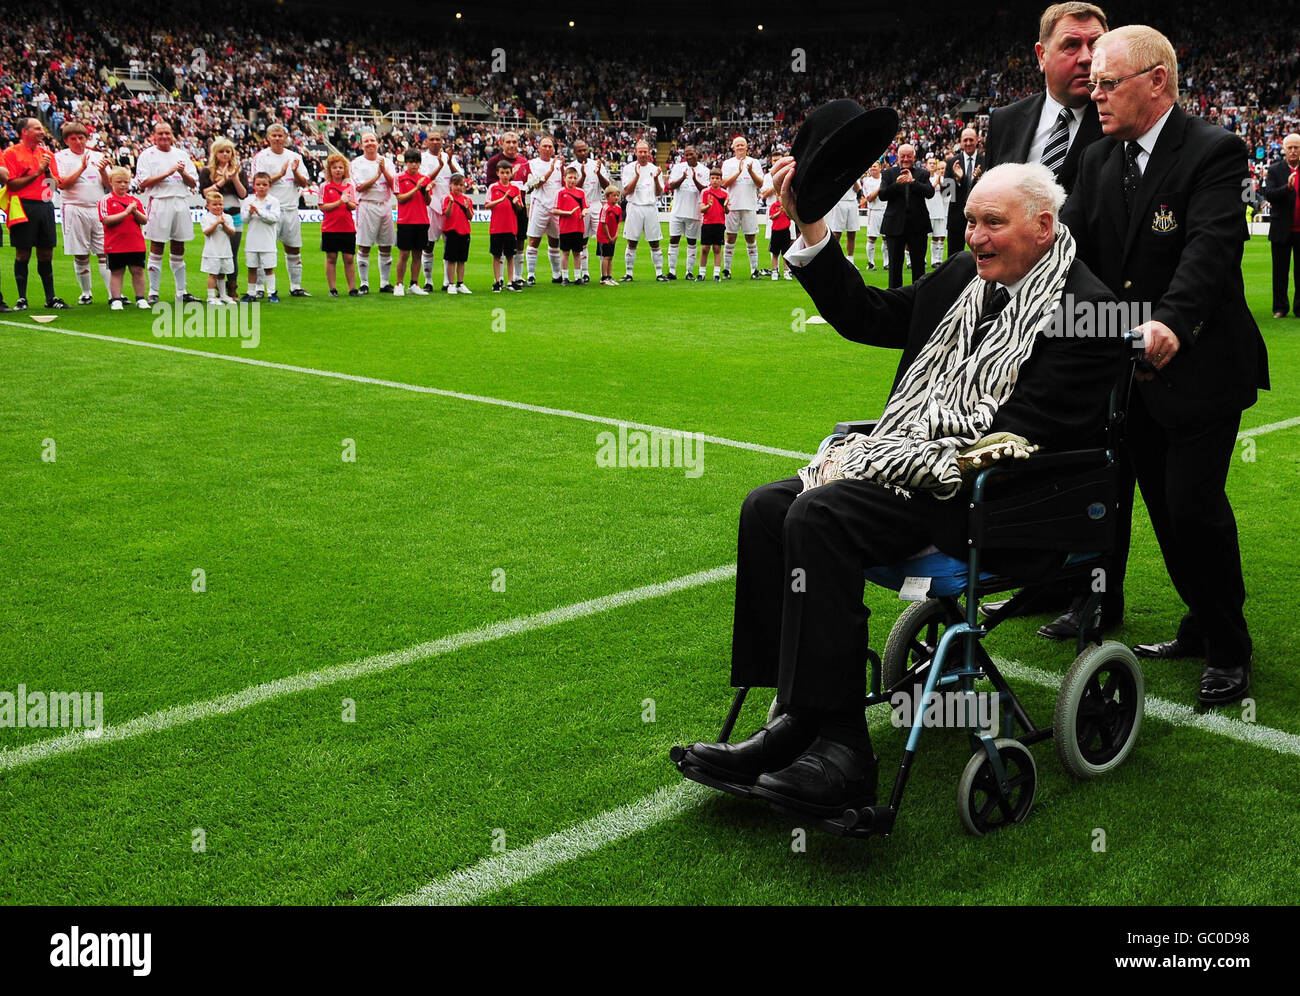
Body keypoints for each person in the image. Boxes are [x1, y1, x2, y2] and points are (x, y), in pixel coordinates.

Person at [679, 160, 1124, 814]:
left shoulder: (1091, 313)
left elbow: (1026, 438)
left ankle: (844, 753)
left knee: (818, 514)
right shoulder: (962, 278)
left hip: (999, 499)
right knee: (768, 508)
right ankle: (792, 721)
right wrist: (811, 225)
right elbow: (867, 315)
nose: (975, 236)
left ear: (1044, 226)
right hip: (922, 469)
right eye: (970, 221)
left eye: (992, 223)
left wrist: (894, 463)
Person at [1061, 25, 1269, 706]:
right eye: (1091, 85)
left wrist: (1170, 324)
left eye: (1107, 83)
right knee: (1161, 507)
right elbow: (1079, 256)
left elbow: (1210, 251)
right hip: (1132, 375)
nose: (1095, 95)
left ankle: (1229, 648)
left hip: (1203, 368)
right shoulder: (1096, 159)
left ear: (1156, 80)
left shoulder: (1213, 150)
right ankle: (1202, 619)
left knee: (1193, 507)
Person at [985, 2, 1108, 196]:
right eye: (1072, 45)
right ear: (1042, 56)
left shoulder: (1122, 122)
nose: (1086, 57)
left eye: (1094, 45)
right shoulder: (1004, 121)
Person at [3, 117, 67, 309]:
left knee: (46, 253)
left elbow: (55, 185)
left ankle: (51, 298)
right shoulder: (11, 153)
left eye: (41, 128)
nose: (42, 131)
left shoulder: (47, 154)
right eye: (37, 128)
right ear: (25, 132)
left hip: (45, 205)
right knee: (23, 252)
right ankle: (22, 298)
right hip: (22, 205)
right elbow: (11, 183)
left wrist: (46, 172)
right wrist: (37, 172)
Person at [134, 120, 199, 304]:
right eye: (160, 133)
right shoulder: (147, 155)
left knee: (179, 248)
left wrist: (182, 173)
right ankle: (153, 292)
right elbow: (143, 182)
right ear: (154, 135)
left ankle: (181, 291)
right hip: (160, 203)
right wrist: (168, 173)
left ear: (172, 135)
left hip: (180, 202)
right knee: (157, 247)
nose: (164, 136)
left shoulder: (181, 154)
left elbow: (193, 182)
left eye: (167, 133)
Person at [54, 122, 112, 305]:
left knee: (104, 252)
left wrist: (103, 171)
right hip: (74, 207)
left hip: (97, 208)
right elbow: (61, 184)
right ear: (66, 140)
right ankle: (86, 293)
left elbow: (110, 186)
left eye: (81, 137)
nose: (78, 141)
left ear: (87, 138)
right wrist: (81, 168)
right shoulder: (60, 157)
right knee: (81, 253)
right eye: (74, 138)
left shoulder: (97, 156)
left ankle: (113, 294)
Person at [252, 124, 311, 296]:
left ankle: (295, 286)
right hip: (268, 209)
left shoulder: (294, 156)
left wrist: (294, 172)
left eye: (280, 135)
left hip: (291, 209)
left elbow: (304, 182)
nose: (277, 138)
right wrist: (281, 173)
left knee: (293, 249)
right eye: (274, 135)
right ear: (268, 137)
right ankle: (259, 288)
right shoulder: (262, 157)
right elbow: (258, 183)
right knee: (265, 249)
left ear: (286, 137)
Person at [878, 143, 934, 287]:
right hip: (894, 226)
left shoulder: (922, 173)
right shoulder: (888, 173)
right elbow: (882, 195)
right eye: (903, 156)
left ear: (914, 157)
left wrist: (913, 182)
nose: (906, 159)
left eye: (909, 156)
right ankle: (894, 300)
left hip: (918, 226)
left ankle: (918, 300)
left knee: (918, 267)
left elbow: (930, 193)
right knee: (895, 267)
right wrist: (897, 185)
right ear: (897, 157)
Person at [198, 137, 247, 300]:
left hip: (234, 214)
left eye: (228, 151)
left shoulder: (238, 171)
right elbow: (205, 192)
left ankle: (231, 287)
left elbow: (243, 194)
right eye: (221, 151)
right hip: (214, 213)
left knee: (231, 253)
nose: (225, 154)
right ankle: (218, 290)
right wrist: (223, 180)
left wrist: (234, 178)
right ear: (215, 153)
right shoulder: (207, 171)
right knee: (216, 251)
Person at [97, 166, 150, 310]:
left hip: (135, 243)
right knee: (117, 272)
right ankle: (116, 299)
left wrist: (134, 212)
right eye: (119, 181)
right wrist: (126, 212)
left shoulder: (134, 200)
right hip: (115, 244)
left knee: (138, 271)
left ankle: (140, 298)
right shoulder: (106, 200)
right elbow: (106, 220)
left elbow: (144, 220)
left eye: (126, 182)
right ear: (111, 182)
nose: (123, 185)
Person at [351, 131, 397, 294]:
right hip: (367, 205)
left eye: (372, 140)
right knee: (364, 246)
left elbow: (395, 185)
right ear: (361, 144)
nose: (370, 143)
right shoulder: (357, 163)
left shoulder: (387, 162)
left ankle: (384, 283)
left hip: (385, 205)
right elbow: (359, 187)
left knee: (386, 246)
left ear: (377, 143)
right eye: (366, 141)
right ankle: (364, 283)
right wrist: (377, 175)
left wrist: (384, 171)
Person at [1263, 133, 1300, 318]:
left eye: (1296, 147)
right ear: (1284, 150)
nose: (1293, 151)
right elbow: (1268, 194)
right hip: (1281, 229)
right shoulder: (1275, 170)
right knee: (1280, 272)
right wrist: (1287, 188)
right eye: (1290, 148)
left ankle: (1299, 308)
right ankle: (1280, 308)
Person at [419, 130, 461, 292]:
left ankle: (447, 281)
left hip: (449, 205)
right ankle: (428, 281)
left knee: (449, 244)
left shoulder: (449, 157)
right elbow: (423, 180)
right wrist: (440, 166)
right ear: (427, 142)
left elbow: (460, 177)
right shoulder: (422, 158)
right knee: (428, 245)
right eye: (432, 139)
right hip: (431, 205)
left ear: (442, 142)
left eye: (438, 139)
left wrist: (449, 162)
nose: (435, 142)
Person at [521, 135, 566, 284]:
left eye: (550, 146)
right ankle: (531, 275)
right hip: (539, 204)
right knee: (534, 240)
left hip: (555, 207)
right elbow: (535, 184)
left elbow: (564, 184)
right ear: (538, 148)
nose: (547, 149)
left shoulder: (560, 163)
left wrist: (563, 168)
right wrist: (551, 170)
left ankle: (556, 274)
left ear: (554, 149)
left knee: (555, 241)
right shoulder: (532, 164)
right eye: (544, 146)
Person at [620, 139, 665, 282]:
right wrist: (637, 176)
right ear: (635, 152)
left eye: (645, 151)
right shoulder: (628, 168)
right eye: (640, 151)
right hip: (634, 207)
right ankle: (629, 273)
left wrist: (657, 179)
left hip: (650, 208)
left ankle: (659, 273)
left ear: (649, 152)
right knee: (632, 242)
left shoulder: (655, 169)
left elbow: (659, 193)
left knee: (655, 242)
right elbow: (626, 191)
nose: (643, 154)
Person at [721, 136, 765, 278]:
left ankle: (754, 270)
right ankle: (727, 270)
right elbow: (725, 183)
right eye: (737, 145)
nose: (740, 147)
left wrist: (750, 171)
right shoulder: (728, 163)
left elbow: (760, 184)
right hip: (732, 205)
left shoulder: (755, 162)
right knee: (730, 238)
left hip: (749, 205)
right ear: (733, 148)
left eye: (742, 145)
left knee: (751, 238)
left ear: (747, 147)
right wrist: (739, 172)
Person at [665, 145, 709, 280]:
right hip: (677, 211)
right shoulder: (678, 168)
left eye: (691, 154)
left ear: (697, 154)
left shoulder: (704, 170)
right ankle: (672, 271)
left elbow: (705, 190)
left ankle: (689, 271)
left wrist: (695, 179)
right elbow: (670, 186)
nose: (689, 157)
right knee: (674, 239)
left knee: (692, 241)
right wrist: (683, 178)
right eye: (686, 154)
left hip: (694, 211)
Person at [571, 140, 611, 283]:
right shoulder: (572, 167)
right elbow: (573, 189)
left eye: (584, 150)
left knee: (602, 239)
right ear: (575, 152)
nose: (583, 153)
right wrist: (583, 175)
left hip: (596, 204)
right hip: (581, 206)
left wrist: (599, 173)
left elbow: (607, 186)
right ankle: (585, 273)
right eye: (579, 151)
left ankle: (604, 274)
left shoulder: (596, 164)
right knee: (583, 241)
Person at [319, 153, 359, 297]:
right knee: (331, 258)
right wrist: (340, 202)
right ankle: (333, 289)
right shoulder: (324, 186)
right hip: (330, 228)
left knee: (349, 258)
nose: (338, 170)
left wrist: (347, 201)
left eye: (340, 167)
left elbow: (353, 206)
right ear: (329, 170)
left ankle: (352, 288)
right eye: (335, 167)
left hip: (347, 227)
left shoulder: (349, 186)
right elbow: (323, 207)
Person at [393, 148, 432, 295]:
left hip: (422, 220)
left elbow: (428, 202)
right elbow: (401, 199)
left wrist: (426, 191)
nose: (413, 165)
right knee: (403, 254)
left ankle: (414, 283)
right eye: (410, 162)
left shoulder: (425, 179)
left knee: (418, 254)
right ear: (406, 163)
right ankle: (399, 284)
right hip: (405, 220)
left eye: (416, 162)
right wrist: (416, 188)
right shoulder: (399, 178)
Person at [240, 172, 282, 303]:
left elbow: (274, 218)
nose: (261, 187)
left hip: (268, 241)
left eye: (264, 184)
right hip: (252, 241)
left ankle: (271, 293)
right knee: (252, 267)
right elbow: (244, 220)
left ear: (269, 186)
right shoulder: (248, 200)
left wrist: (259, 212)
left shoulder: (274, 201)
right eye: (258, 184)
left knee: (269, 268)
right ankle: (251, 293)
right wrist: (250, 212)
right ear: (254, 186)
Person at [943, 129, 982, 257]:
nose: (968, 143)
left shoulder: (986, 160)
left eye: (971, 139)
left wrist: (981, 179)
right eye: (965, 140)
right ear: (960, 142)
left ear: (977, 140)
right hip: (956, 217)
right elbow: (946, 193)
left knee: (982, 254)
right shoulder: (951, 162)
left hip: (980, 217)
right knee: (953, 257)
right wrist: (958, 179)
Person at [486, 160, 523, 292]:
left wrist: (516, 203)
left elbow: (519, 208)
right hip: (496, 226)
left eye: (507, 172)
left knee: (510, 255)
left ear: (511, 174)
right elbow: (487, 205)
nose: (505, 175)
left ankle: (510, 281)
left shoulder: (515, 189)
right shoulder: (493, 187)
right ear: (497, 173)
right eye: (502, 172)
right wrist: (500, 200)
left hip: (510, 226)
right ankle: (497, 281)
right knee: (496, 255)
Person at [200, 189, 237, 303]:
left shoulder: (228, 218)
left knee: (222, 274)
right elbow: (207, 232)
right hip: (212, 252)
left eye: (220, 204)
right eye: (214, 204)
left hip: (225, 251)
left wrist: (223, 224)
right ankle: (211, 297)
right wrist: (216, 223)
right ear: (208, 206)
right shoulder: (206, 218)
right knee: (213, 275)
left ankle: (222, 295)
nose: (218, 207)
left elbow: (232, 232)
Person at [554, 165, 588, 285]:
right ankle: (565, 277)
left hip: (578, 227)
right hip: (565, 228)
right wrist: (567, 213)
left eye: (574, 178)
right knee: (565, 252)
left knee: (577, 252)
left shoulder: (581, 193)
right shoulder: (560, 192)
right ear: (564, 178)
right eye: (570, 177)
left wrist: (584, 212)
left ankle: (578, 277)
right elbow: (554, 210)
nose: (572, 180)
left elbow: (585, 208)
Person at [441, 173, 473, 294]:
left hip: (465, 231)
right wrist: (450, 203)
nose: (458, 187)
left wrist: (467, 208)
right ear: (450, 185)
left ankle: (460, 283)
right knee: (451, 259)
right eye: (456, 184)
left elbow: (470, 217)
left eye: (461, 185)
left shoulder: (467, 199)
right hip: (452, 231)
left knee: (461, 260)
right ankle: (451, 283)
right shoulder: (447, 198)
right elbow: (447, 215)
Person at [827, 174, 864, 265]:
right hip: (839, 203)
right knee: (837, 233)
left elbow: (857, 190)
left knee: (852, 233)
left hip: (852, 203)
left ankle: (850, 259)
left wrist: (853, 179)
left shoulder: (854, 174)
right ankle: (833, 258)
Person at [699, 168, 728, 281]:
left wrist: (726, 206)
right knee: (705, 248)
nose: (715, 180)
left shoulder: (724, 193)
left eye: (717, 178)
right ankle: (702, 273)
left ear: (721, 180)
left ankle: (716, 273)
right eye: (713, 178)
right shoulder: (705, 192)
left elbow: (727, 211)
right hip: (707, 223)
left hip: (719, 223)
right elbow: (702, 209)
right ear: (709, 179)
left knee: (717, 248)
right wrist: (708, 206)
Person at [596, 186, 622, 287]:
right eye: (614, 195)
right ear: (607, 197)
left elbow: (619, 222)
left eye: (617, 195)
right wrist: (609, 236)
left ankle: (609, 276)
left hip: (612, 236)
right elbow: (603, 223)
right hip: (604, 236)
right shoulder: (605, 208)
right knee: (605, 257)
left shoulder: (618, 208)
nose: (616, 198)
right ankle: (604, 277)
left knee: (610, 256)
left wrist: (616, 235)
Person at [925, 155, 948, 266]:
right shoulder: (924, 178)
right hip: (927, 211)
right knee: (925, 237)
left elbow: (946, 194)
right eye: (930, 163)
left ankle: (937, 260)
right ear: (926, 165)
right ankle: (923, 259)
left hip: (939, 211)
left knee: (938, 236)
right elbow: (928, 191)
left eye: (934, 163)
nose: (932, 165)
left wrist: (940, 180)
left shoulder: (943, 179)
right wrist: (936, 181)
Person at [862, 162, 884, 270]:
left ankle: (887, 263)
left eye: (874, 166)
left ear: (880, 168)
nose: (872, 168)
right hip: (874, 211)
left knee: (886, 237)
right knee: (872, 237)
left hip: (886, 210)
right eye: (871, 166)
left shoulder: (885, 179)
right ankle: (871, 263)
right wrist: (880, 188)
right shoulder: (867, 181)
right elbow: (869, 198)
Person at [768, 196, 793, 279]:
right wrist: (779, 211)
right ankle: (774, 271)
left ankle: (786, 271)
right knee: (775, 252)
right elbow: (772, 217)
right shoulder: (774, 206)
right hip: (776, 231)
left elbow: (791, 217)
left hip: (785, 231)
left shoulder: (787, 206)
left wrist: (785, 210)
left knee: (785, 252)